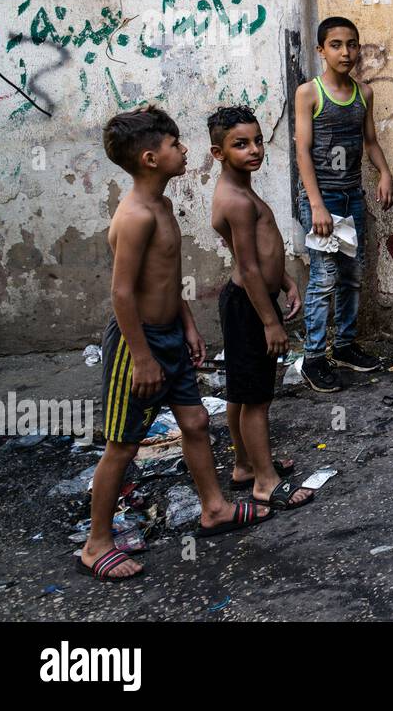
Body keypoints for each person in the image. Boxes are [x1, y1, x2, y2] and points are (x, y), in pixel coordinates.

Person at [79, 108, 271, 581]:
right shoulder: (136, 216)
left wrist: (187, 324)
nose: (183, 150)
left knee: (195, 420)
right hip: (137, 344)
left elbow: (163, 280)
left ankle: (214, 508)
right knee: (123, 445)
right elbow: (123, 293)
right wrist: (142, 358)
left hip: (169, 336)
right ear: (150, 158)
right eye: (174, 144)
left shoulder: (163, 206)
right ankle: (96, 542)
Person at [208, 105, 314, 512]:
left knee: (241, 390)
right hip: (248, 306)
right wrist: (271, 323)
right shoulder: (234, 199)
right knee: (257, 400)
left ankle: (244, 466)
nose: (254, 150)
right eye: (240, 144)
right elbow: (249, 267)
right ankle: (265, 483)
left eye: (257, 141)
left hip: (251, 300)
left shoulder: (241, 189)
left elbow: (248, 253)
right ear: (218, 152)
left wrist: (284, 280)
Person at [294, 16, 393, 392]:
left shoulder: (363, 93)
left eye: (352, 44)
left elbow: (369, 141)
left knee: (352, 275)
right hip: (323, 199)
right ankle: (314, 358)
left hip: (353, 196)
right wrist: (317, 205)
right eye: (336, 45)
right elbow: (302, 151)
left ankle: (345, 345)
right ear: (321, 50)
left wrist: (384, 173)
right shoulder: (310, 93)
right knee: (324, 279)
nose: (346, 52)